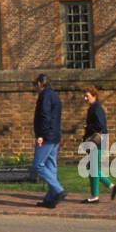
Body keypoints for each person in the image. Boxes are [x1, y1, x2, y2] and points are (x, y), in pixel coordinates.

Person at [32, 74, 65, 209]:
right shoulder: (54, 96)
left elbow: (45, 116)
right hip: (55, 135)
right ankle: (50, 198)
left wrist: (41, 134)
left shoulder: (45, 95)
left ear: (40, 83)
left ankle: (58, 190)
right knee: (51, 167)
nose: (36, 89)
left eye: (36, 86)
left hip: (47, 136)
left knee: (38, 165)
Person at [81, 85, 116, 203]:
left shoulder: (96, 108)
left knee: (93, 168)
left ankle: (95, 196)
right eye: (84, 96)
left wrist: (88, 127)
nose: (85, 98)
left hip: (96, 143)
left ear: (94, 96)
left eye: (87, 96)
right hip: (97, 143)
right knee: (92, 168)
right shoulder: (94, 108)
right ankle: (111, 187)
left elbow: (100, 125)